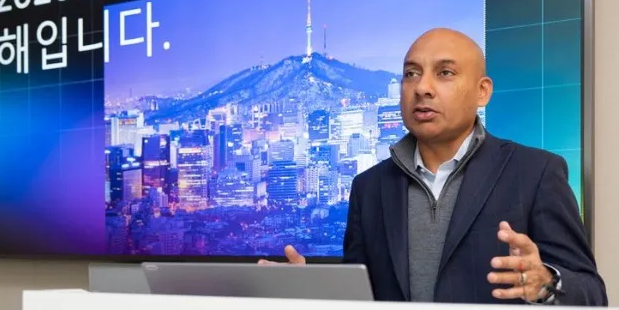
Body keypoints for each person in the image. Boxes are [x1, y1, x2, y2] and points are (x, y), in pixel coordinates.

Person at [258, 28, 606, 305]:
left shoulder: (535, 172)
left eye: (445, 73)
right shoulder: (369, 187)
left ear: (482, 91)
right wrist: (311, 292)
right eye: (411, 74)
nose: (422, 87)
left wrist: (546, 284)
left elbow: (592, 293)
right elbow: (361, 297)